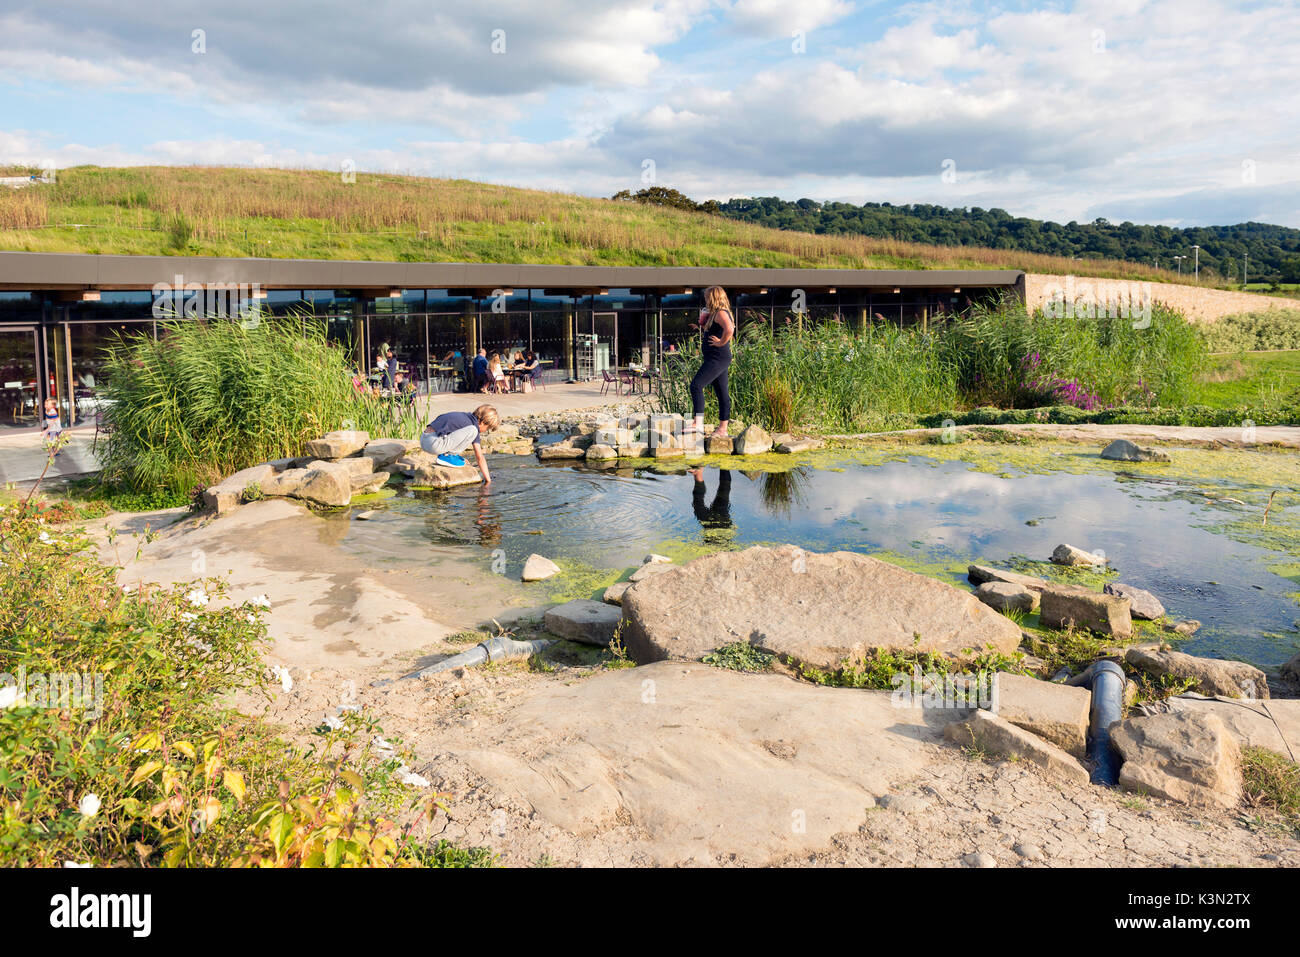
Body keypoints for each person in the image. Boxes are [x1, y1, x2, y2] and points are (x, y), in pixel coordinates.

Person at [685, 286, 735, 437]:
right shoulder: (715, 314)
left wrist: (720, 342)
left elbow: (730, 329)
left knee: (696, 385)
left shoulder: (720, 313)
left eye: (707, 297)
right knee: (721, 392)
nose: (706, 299)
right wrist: (703, 322)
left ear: (713, 297)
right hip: (716, 357)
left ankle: (697, 423)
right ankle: (722, 429)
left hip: (717, 357)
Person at [420, 404, 500, 484]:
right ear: (482, 423)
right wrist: (488, 480)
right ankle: (448, 456)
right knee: (473, 431)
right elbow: (480, 457)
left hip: (425, 439)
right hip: (433, 443)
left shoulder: (465, 418)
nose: (485, 431)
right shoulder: (473, 427)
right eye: (487, 428)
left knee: (471, 431)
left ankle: (451, 455)